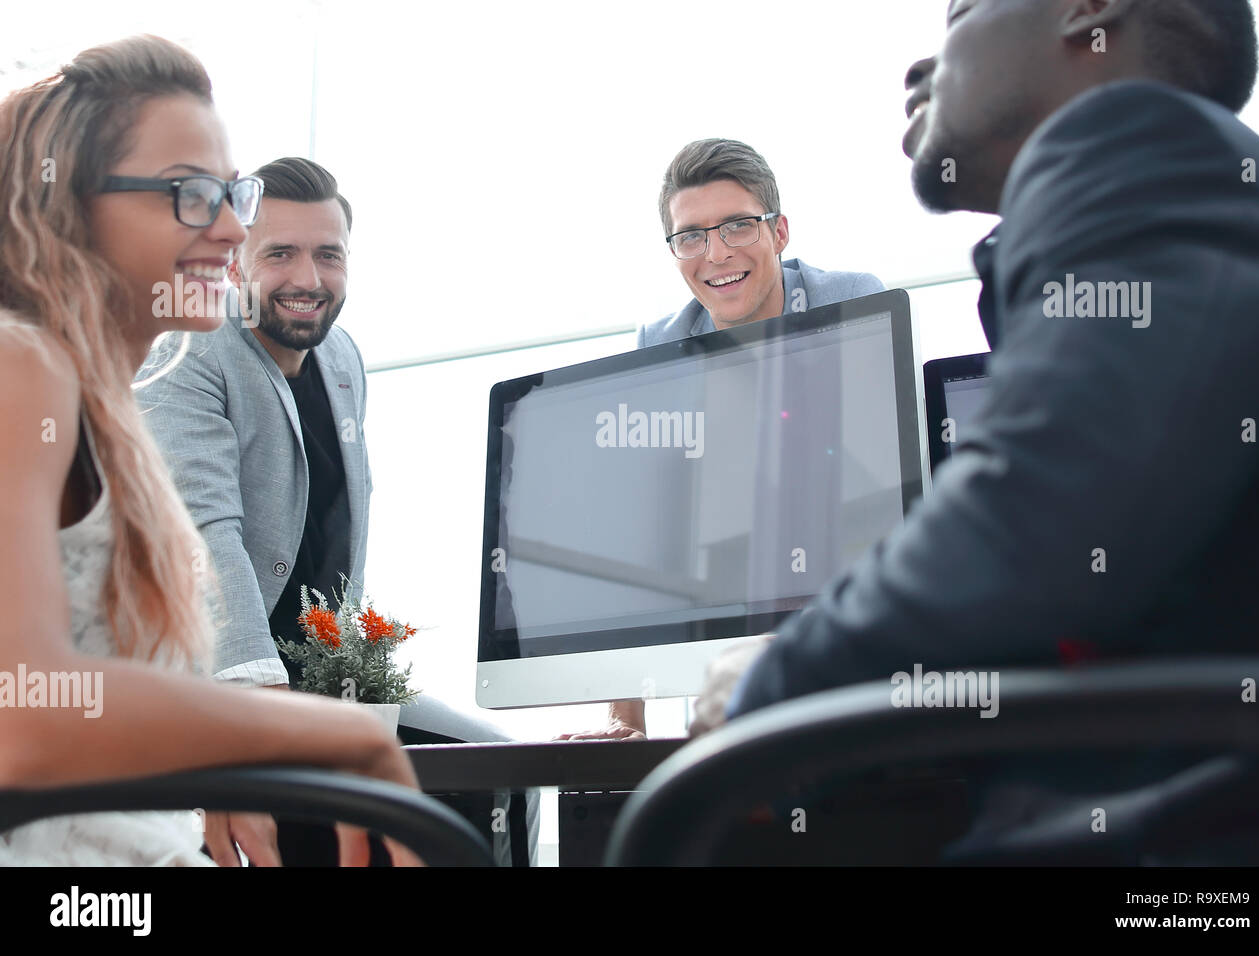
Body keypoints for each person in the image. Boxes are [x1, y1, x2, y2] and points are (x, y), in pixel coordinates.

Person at [692, 0, 1259, 863]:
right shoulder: (1175, 188)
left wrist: (772, 682)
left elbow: (1034, 527)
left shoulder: (1139, 152)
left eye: (961, 14)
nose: (920, 69)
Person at [0, 35, 420, 866]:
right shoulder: (22, 366)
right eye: (191, 194)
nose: (232, 226)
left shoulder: (108, 414)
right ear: (70, 205)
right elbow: (24, 712)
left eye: (234, 192)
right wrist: (340, 734)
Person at [136, 157, 536, 865]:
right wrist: (255, 718)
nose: (308, 280)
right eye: (280, 254)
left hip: (322, 678)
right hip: (216, 684)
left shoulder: (342, 358)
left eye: (329, 255)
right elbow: (204, 537)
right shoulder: (188, 350)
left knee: (497, 768)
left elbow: (326, 541)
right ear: (234, 265)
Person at [563, 138, 885, 739]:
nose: (715, 254)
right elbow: (638, 536)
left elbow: (890, 491)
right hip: (731, 636)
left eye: (737, 226)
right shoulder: (661, 347)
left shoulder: (853, 303)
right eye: (690, 236)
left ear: (780, 232)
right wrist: (623, 716)